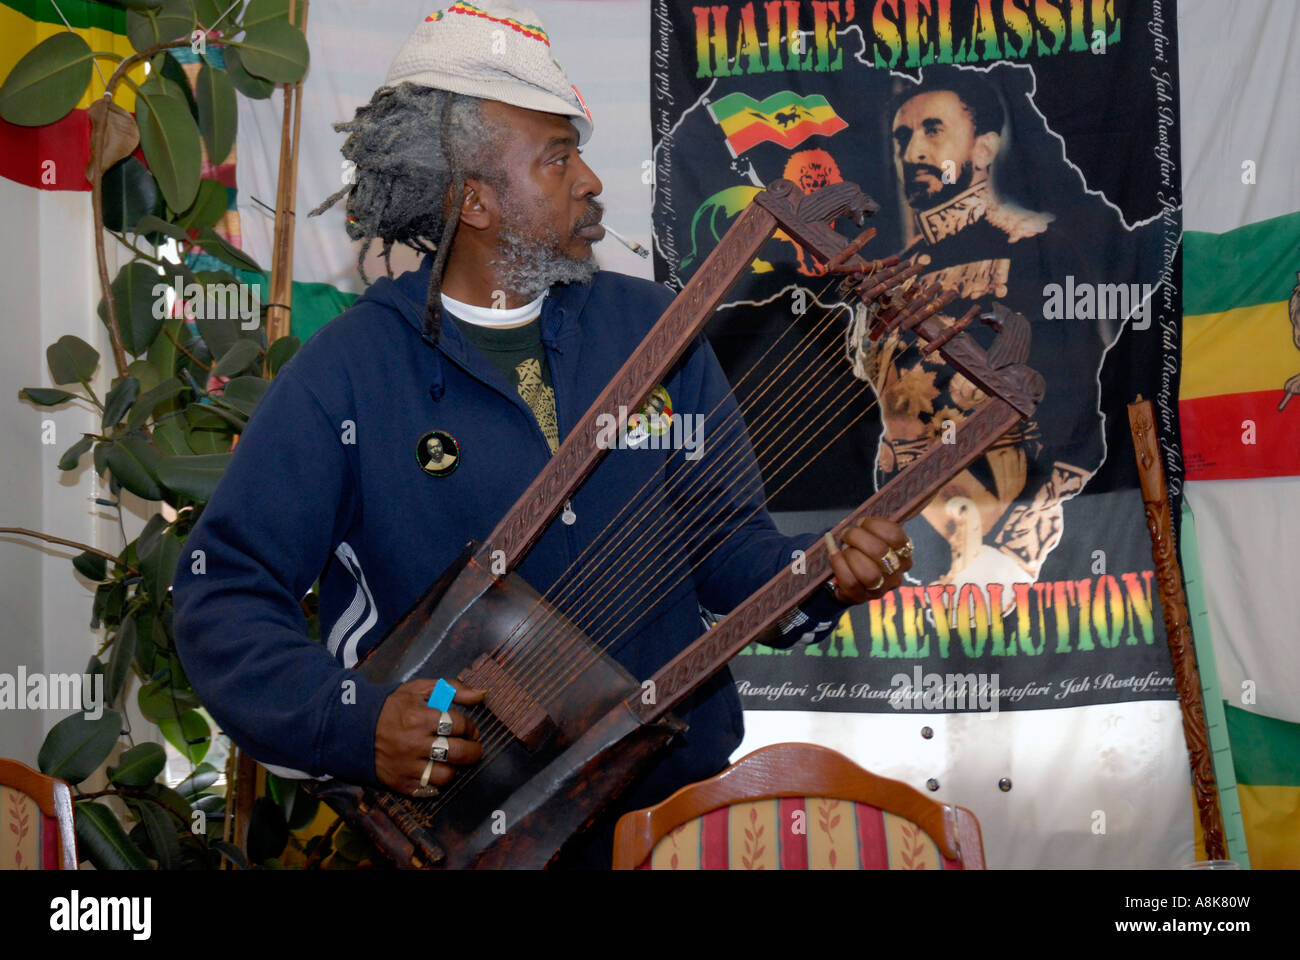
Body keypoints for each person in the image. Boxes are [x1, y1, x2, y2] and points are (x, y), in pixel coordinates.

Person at [172, 1, 913, 868]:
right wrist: (355, 722)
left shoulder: (657, 335)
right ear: (474, 199)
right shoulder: (350, 371)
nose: (590, 181)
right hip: (456, 841)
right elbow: (222, 591)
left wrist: (819, 572)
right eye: (557, 159)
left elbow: (729, 553)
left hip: (667, 828)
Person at [848, 67, 1105, 601]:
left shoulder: (1038, 249)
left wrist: (1014, 554)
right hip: (899, 556)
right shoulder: (892, 278)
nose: (913, 150)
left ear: (984, 149)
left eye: (932, 130)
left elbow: (1079, 411)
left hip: (1004, 560)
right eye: (903, 137)